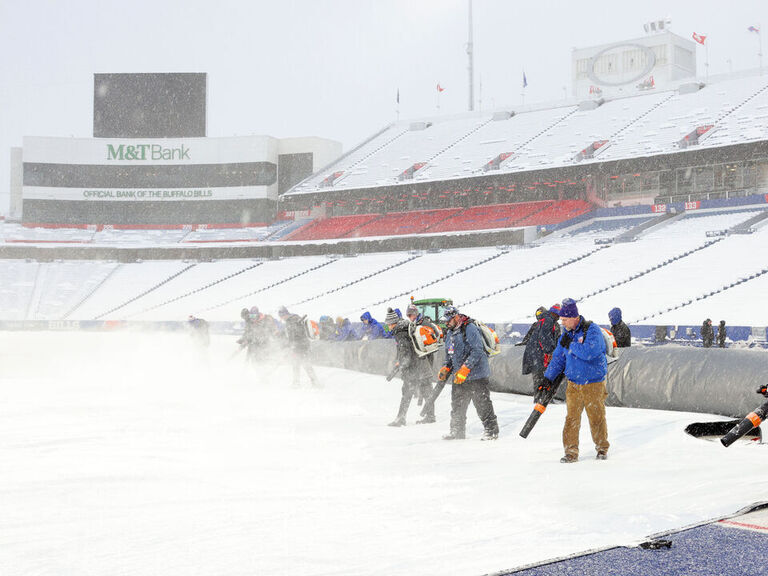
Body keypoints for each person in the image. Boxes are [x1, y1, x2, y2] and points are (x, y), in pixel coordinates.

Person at [542, 298, 609, 463]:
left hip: (593, 383)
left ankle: (602, 448)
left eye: (565, 319)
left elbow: (590, 352)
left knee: (596, 417)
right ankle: (570, 452)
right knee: (571, 419)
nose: (562, 322)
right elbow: (558, 358)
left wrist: (571, 345)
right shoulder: (566, 335)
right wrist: (548, 378)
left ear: (574, 317)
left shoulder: (592, 330)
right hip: (573, 384)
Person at [438, 306, 499, 441]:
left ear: (456, 317)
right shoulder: (450, 333)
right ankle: (457, 431)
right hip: (459, 376)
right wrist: (446, 367)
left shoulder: (469, 328)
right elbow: (450, 353)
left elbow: (477, 350)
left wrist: (466, 368)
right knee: (457, 405)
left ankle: (491, 431)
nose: (446, 323)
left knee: (482, 404)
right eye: (445, 321)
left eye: (448, 320)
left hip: (477, 375)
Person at [385, 308, 435, 426]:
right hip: (423, 364)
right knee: (427, 391)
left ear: (392, 323)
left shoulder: (400, 333)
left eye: (388, 324)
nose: (388, 327)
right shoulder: (408, 327)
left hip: (414, 369)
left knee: (407, 393)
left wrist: (401, 366)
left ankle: (401, 419)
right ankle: (430, 416)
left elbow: (406, 354)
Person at [406, 303, 441, 423]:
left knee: (426, 386)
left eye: (411, 314)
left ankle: (430, 415)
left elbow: (436, 335)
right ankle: (428, 413)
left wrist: (427, 346)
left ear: (416, 313)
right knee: (424, 385)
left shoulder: (425, 323)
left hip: (426, 358)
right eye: (408, 315)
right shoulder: (416, 324)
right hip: (420, 358)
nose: (410, 317)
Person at [522, 305, 561, 403]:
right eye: (558, 315)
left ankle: (540, 398)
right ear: (555, 314)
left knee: (538, 377)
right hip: (540, 354)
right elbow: (545, 338)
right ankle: (542, 399)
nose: (559, 318)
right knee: (543, 376)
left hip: (535, 354)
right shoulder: (548, 321)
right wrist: (550, 351)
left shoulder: (542, 321)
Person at [278, 305, 321, 388]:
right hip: (298, 347)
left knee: (305, 365)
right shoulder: (291, 320)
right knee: (296, 365)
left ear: (285, 314)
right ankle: (297, 382)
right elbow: (291, 336)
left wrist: (292, 344)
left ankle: (314, 382)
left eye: (282, 316)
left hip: (301, 347)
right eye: (280, 316)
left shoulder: (294, 320)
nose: (281, 318)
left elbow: (297, 335)